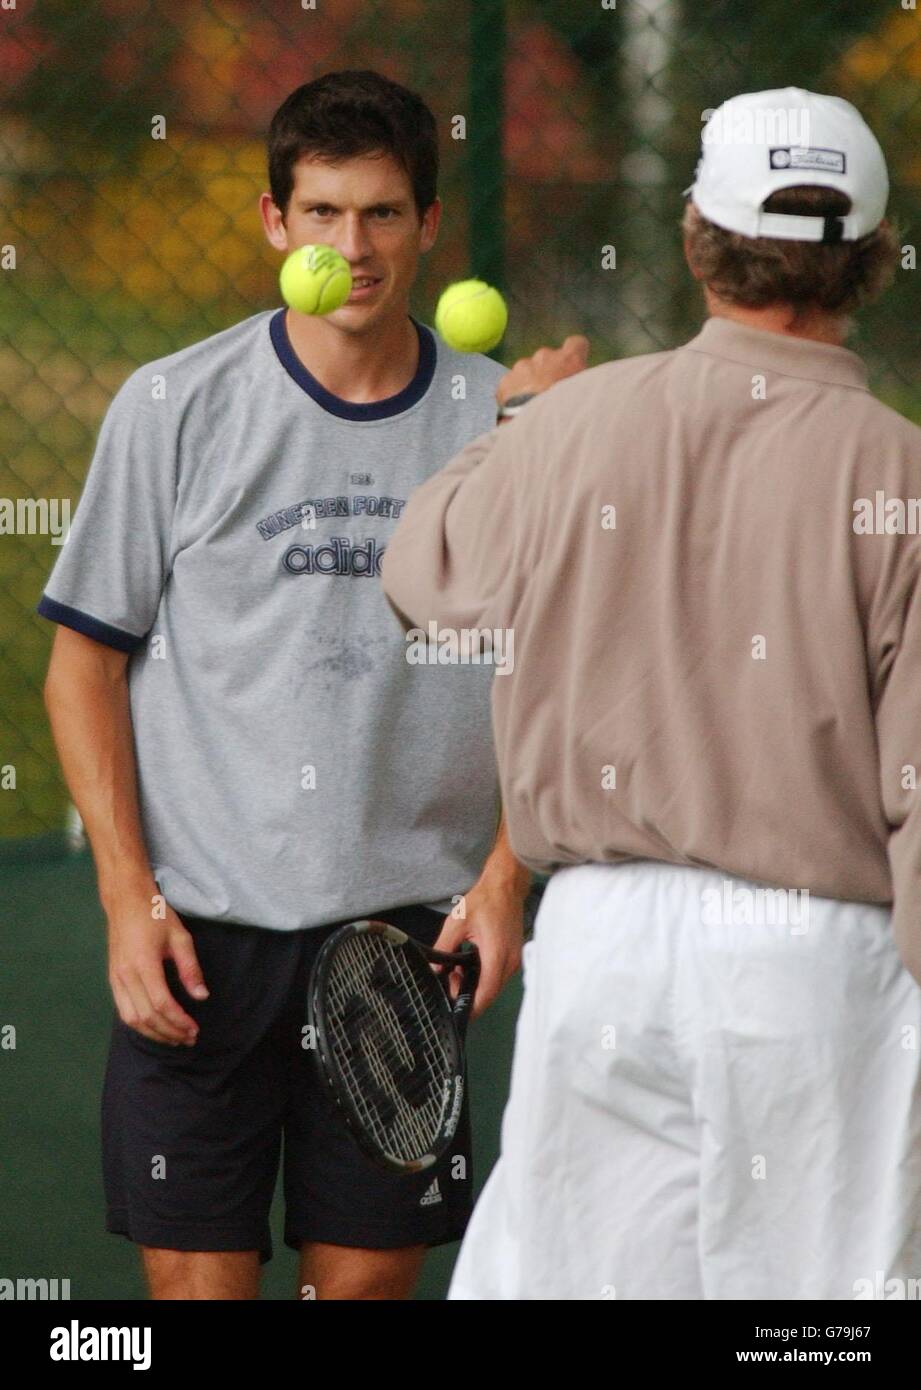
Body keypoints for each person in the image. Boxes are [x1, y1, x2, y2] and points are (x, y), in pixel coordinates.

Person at [381, 87, 921, 1300]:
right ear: (873, 256)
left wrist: (519, 420)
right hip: (822, 965)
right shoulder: (905, 475)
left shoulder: (574, 421)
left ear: (696, 235)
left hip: (604, 949)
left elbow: (427, 578)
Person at [37, 68, 532, 1302]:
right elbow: (83, 662)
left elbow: (569, 678)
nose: (349, 248)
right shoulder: (173, 407)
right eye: (320, 214)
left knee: (359, 1293)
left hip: (404, 946)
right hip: (201, 944)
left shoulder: (512, 424)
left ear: (428, 225)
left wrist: (506, 879)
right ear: (274, 224)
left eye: (379, 215)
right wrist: (125, 897)